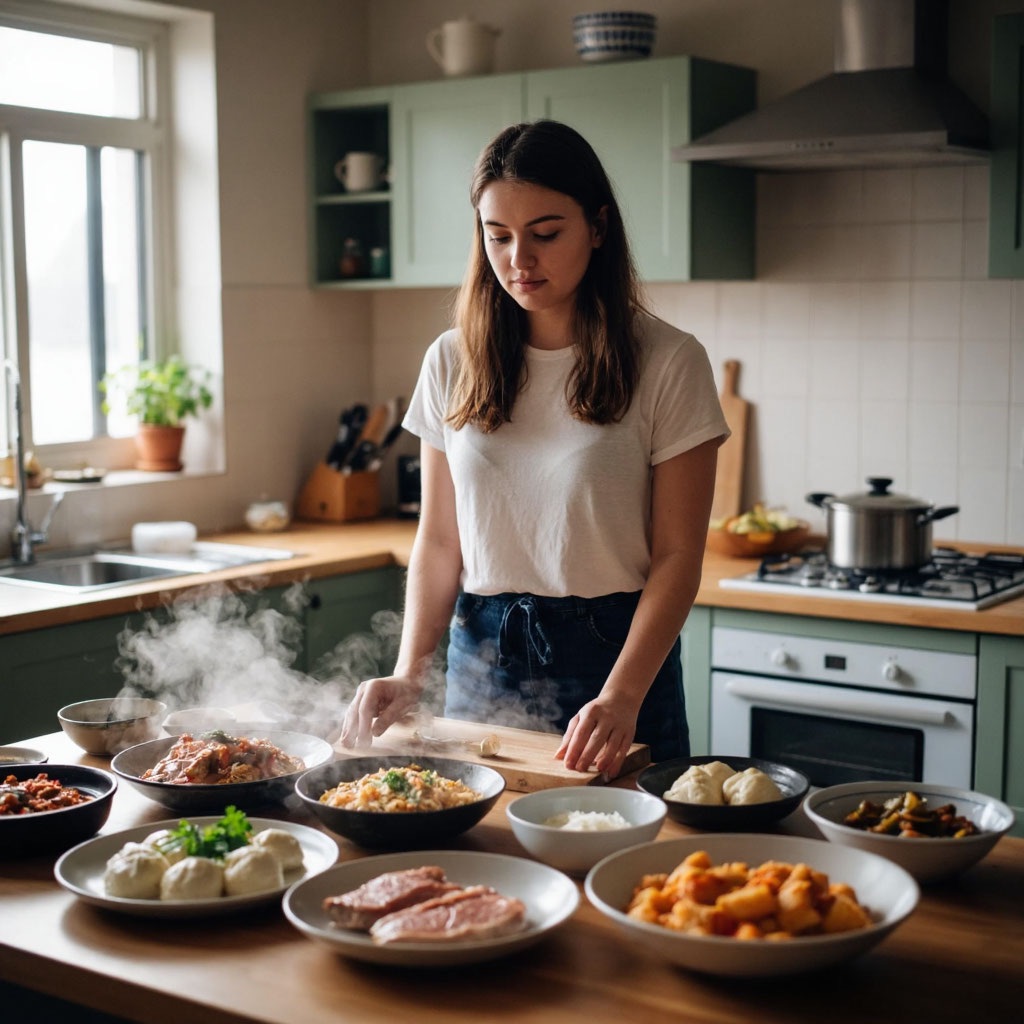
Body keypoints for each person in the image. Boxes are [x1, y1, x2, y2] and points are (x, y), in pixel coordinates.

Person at [340, 119, 729, 778]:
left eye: (546, 234)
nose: (520, 259)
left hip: (617, 661)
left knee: (627, 863)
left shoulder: (669, 362)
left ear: (598, 227)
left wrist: (623, 693)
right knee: (485, 853)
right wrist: (409, 673)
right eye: (499, 236)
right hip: (480, 652)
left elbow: (677, 557)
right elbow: (439, 542)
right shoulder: (450, 359)